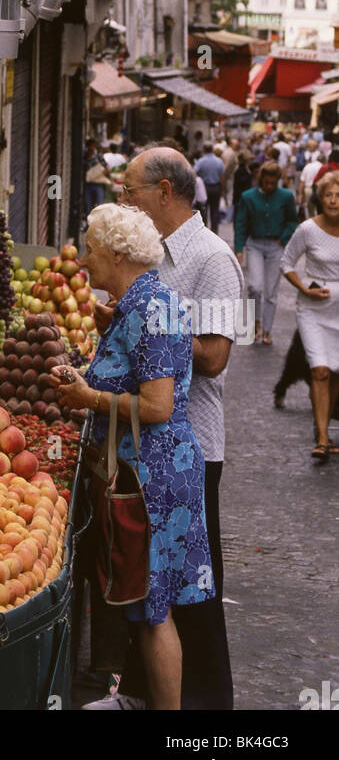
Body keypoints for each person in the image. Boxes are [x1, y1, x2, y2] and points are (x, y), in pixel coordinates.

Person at [95, 146, 243, 711]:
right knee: (151, 579)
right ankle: (142, 692)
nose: (123, 200)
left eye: (129, 190)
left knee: (193, 588)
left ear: (163, 191)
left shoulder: (211, 258)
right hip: (147, 446)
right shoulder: (152, 256)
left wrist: (157, 329)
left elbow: (214, 357)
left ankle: (207, 708)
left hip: (192, 446)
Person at [50, 204, 213, 711]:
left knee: (154, 608)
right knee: (148, 604)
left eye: (93, 250)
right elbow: (137, 368)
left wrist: (87, 397)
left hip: (154, 475)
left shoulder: (151, 306)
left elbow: (157, 406)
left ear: (119, 254)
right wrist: (110, 331)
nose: (85, 261)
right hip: (150, 469)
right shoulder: (136, 303)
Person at [280, 174, 339, 461]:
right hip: (313, 308)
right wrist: (304, 288)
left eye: (338, 195)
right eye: (329, 195)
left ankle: (323, 428)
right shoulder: (307, 229)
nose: (334, 200)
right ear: (320, 198)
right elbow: (286, 262)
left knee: (336, 371)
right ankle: (323, 439)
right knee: (320, 369)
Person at [234, 160, 298, 345]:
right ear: (261, 179)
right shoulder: (248, 197)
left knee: (271, 291)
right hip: (255, 243)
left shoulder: (286, 196)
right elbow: (241, 223)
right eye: (266, 182)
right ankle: (255, 323)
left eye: (273, 183)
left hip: (275, 246)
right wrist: (239, 248)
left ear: (277, 180)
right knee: (255, 286)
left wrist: (282, 238)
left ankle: (267, 330)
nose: (269, 186)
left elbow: (293, 221)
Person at [194, 143, 225, 233]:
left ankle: (204, 231)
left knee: (204, 211)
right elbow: (222, 177)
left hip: (204, 188)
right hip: (216, 188)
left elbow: (194, 172)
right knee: (215, 210)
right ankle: (214, 232)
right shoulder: (219, 161)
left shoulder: (201, 161)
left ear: (204, 150)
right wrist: (222, 190)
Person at [84, 139, 111, 214]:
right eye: (90, 146)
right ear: (88, 147)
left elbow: (107, 169)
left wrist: (99, 175)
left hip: (98, 185)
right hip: (88, 185)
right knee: (89, 207)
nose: (92, 148)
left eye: (93, 146)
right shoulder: (84, 156)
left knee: (100, 206)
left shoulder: (99, 156)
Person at [300, 146, 324, 218]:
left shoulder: (308, 166)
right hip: (319, 189)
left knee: (310, 211)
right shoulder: (323, 167)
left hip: (308, 189)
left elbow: (302, 182)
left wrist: (301, 194)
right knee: (319, 210)